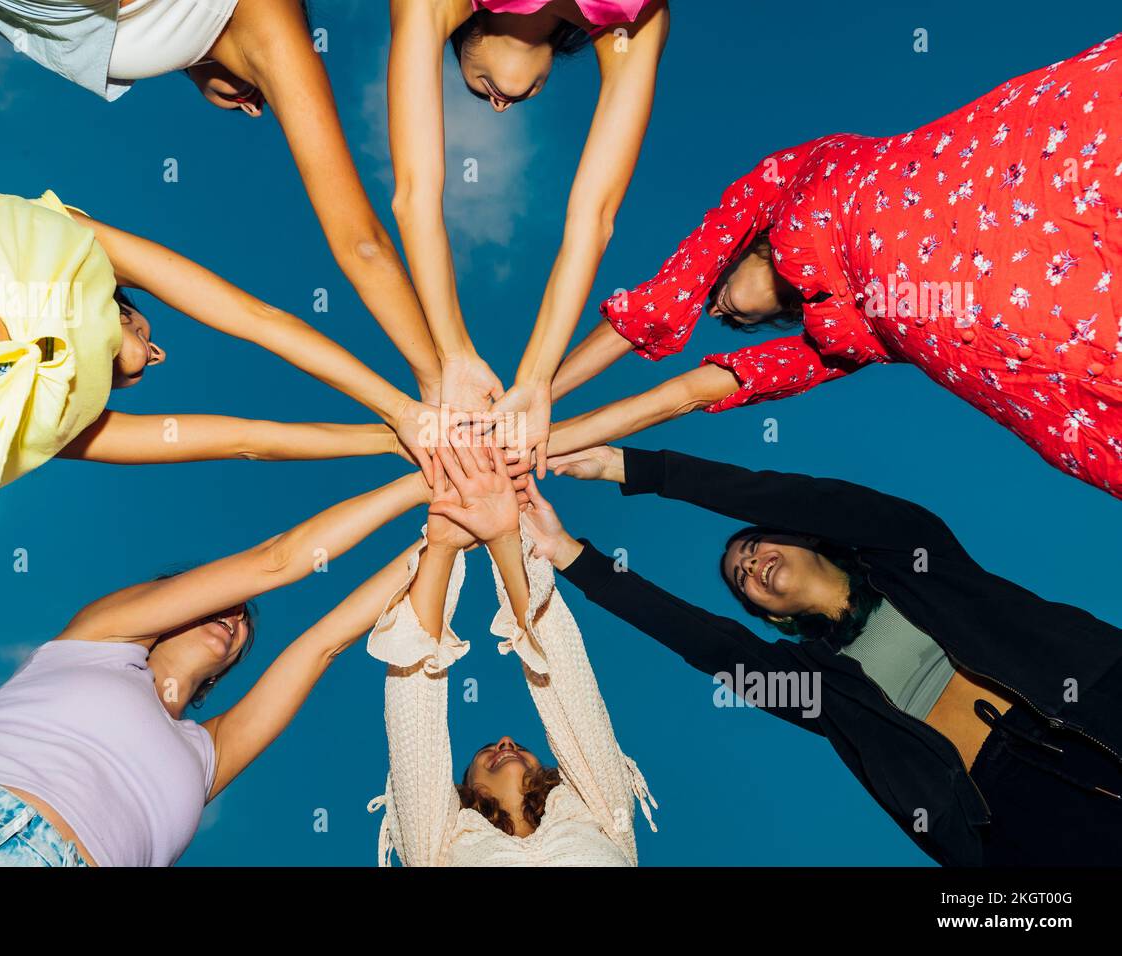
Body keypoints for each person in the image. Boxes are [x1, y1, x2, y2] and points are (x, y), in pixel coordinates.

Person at [0, 163, 435, 649]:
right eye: (152, 334)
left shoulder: (71, 420)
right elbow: (255, 319)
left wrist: (389, 439)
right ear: (123, 306)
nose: (159, 356)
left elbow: (246, 439)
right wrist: (399, 406)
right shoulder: (74, 238)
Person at [546, 33, 1122, 498]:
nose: (710, 304)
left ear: (743, 249)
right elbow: (689, 393)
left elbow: (659, 302)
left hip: (1003, 181)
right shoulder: (828, 344)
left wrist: (538, 389)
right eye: (727, 319)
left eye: (714, 294)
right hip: (1032, 339)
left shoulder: (787, 178)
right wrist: (542, 440)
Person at [522, 443, 1122, 865]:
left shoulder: (914, 555)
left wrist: (630, 467)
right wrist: (573, 556)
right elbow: (706, 643)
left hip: (1093, 708)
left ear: (805, 536)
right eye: (742, 580)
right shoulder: (818, 689)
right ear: (774, 616)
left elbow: (808, 498)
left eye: (755, 545)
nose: (752, 565)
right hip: (1005, 816)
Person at [0, 470, 433, 866]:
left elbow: (324, 643)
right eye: (222, 604)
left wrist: (445, 535)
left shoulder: (209, 752)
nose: (237, 616)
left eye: (244, 623)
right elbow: (277, 562)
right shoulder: (101, 637)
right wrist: (427, 481)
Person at [0, 0, 445, 400]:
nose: (254, 109)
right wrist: (440, 374)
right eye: (263, 98)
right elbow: (361, 244)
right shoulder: (270, 23)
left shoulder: (173, 35)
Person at [386, 0, 669, 457]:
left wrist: (456, 355)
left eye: (481, 92)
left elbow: (414, 197)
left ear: (462, 35)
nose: (499, 106)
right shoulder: (634, 23)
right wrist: (535, 379)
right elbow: (593, 219)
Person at [366, 436, 655, 865]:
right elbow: (414, 726)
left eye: (502, 743)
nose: (504, 741)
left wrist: (508, 537)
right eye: (490, 748)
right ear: (463, 788)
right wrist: (441, 546)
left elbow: (571, 691)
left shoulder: (597, 811)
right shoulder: (438, 844)